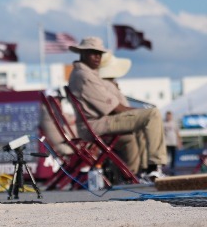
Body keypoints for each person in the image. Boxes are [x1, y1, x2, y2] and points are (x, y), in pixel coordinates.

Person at [67, 37, 167, 180]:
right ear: (83, 54)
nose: (97, 57)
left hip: (93, 123)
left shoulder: (83, 74)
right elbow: (115, 109)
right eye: (93, 53)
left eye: (100, 54)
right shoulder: (85, 76)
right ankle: (154, 167)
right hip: (96, 124)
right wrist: (142, 113)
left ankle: (146, 170)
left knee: (145, 120)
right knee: (152, 115)